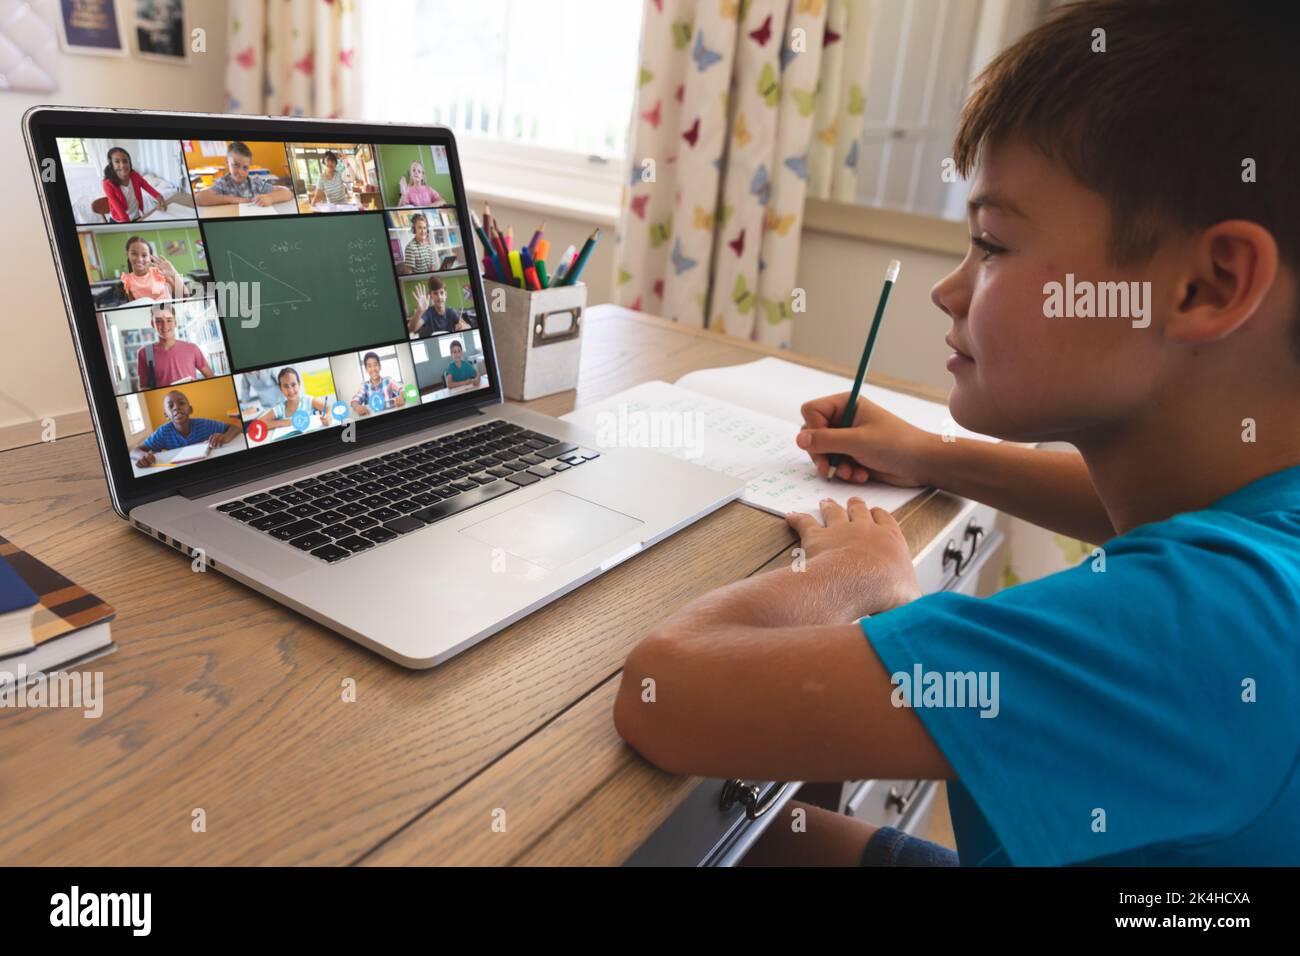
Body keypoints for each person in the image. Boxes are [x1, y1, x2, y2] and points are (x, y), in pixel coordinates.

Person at [613, 0, 1300, 867]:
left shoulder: (1205, 628)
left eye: (992, 243)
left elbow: (661, 690)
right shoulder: (1261, 522)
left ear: (1207, 286)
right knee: (750, 838)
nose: (951, 289)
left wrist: (864, 582)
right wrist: (926, 452)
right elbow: (1123, 505)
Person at [131, 390, 235, 467]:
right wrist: (143, 456)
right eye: (171, 406)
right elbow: (134, 451)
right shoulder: (163, 433)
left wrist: (226, 437)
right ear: (166, 415)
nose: (176, 407)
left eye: (181, 403)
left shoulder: (204, 424)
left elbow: (234, 427)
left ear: (190, 409)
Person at [135, 304, 213, 389]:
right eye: (158, 321)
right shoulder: (144, 353)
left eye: (169, 320)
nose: (165, 326)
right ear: (152, 323)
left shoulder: (192, 348)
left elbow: (210, 377)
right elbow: (144, 388)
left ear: (175, 322)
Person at [194, 141, 293, 207]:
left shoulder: (255, 183)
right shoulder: (222, 184)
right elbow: (198, 199)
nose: (240, 172)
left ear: (249, 166)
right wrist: (232, 199)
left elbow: (288, 193)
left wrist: (271, 198)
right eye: (235, 165)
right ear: (227, 162)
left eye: (245, 167)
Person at [101, 146, 168, 223]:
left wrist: (159, 197)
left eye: (125, 161)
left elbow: (147, 187)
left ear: (130, 163)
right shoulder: (107, 184)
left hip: (137, 216)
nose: (122, 165)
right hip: (119, 220)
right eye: (117, 161)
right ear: (111, 165)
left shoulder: (135, 175)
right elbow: (119, 210)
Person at [256, 366, 332, 433]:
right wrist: (285, 422)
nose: (290, 390)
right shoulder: (280, 408)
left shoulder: (308, 400)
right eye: (286, 386)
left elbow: (328, 407)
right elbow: (258, 423)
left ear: (299, 384)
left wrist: (328, 416)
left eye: (293, 385)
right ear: (280, 388)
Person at [120, 236, 185, 303]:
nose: (139, 259)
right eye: (134, 253)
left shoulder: (159, 272)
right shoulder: (127, 280)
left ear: (150, 257)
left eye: (144, 255)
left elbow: (184, 295)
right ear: (127, 254)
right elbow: (133, 306)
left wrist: (173, 273)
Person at [349, 352, 406, 417]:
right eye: (369, 366)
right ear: (366, 369)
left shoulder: (388, 380)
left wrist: (401, 397)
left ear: (380, 366)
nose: (373, 369)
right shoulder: (364, 386)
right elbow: (354, 401)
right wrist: (357, 407)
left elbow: (402, 389)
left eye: (375, 365)